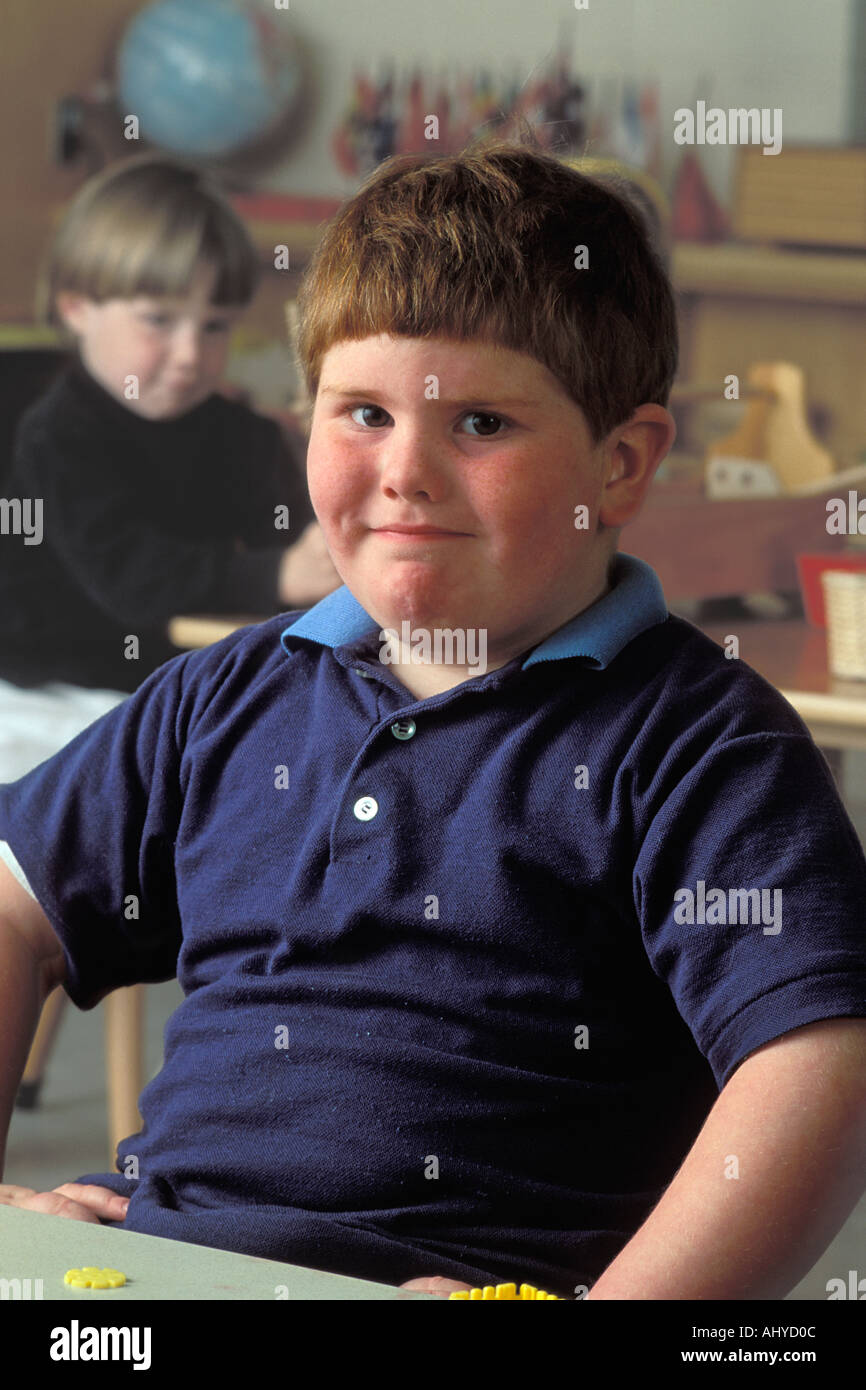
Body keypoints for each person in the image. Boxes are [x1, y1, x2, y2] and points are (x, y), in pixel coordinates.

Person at [1, 133, 865, 1301]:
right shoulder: (221, 698)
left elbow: (816, 1058)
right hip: (152, 1277)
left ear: (619, 465)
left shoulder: (700, 743)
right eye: (359, 412)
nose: (402, 469)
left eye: (478, 425)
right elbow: (15, 909)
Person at [0, 153, 340, 694]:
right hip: (58, 687)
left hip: (178, 680)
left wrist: (319, 547)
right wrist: (276, 574)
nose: (190, 354)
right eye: (159, 319)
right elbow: (132, 580)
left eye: (214, 326)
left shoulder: (242, 435)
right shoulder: (59, 435)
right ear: (76, 309)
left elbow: (285, 532)